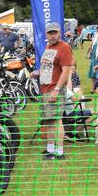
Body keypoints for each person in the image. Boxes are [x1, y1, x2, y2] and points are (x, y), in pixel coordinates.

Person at [36, 22, 75, 159]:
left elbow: (66, 71)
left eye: (55, 33)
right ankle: (50, 149)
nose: (52, 36)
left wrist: (57, 90)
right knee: (48, 120)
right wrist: (38, 72)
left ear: (60, 33)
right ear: (46, 34)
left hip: (54, 89)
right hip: (45, 88)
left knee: (56, 120)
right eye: (50, 33)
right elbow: (49, 66)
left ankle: (59, 152)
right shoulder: (48, 46)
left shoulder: (64, 47)